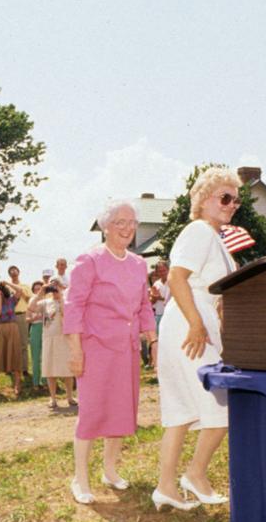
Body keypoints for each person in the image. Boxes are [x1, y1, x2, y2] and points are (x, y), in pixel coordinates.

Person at [154, 167, 239, 512]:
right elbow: (176, 278)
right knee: (221, 407)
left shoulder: (214, 237)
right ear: (204, 200)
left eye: (235, 199)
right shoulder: (200, 231)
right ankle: (195, 475)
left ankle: (166, 487)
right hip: (189, 322)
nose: (232, 204)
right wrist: (196, 324)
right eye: (225, 197)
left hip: (194, 320)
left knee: (182, 412)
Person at [64, 199, 156, 503]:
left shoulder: (139, 263)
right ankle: (80, 479)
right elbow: (74, 306)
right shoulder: (89, 260)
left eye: (132, 223)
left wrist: (152, 340)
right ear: (105, 227)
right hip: (95, 348)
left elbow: (144, 306)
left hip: (127, 349)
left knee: (120, 410)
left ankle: (110, 470)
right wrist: (75, 350)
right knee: (92, 412)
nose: (127, 228)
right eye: (120, 222)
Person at [42, 282, 76, 410]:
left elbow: (66, 313)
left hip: (64, 337)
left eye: (57, 287)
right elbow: (31, 307)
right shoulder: (45, 302)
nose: (55, 290)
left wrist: (62, 294)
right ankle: (53, 398)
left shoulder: (67, 301)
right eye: (53, 287)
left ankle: (70, 397)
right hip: (49, 338)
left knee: (67, 368)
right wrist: (43, 291)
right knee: (50, 369)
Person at [0, 280, 25, 396]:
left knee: (15, 355)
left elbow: (20, 290)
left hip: (13, 329)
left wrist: (7, 283)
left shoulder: (11, 301)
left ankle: (17, 385)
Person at [8, 265, 32, 383]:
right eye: (11, 271)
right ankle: (12, 368)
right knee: (11, 344)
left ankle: (24, 368)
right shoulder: (6, 286)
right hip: (10, 317)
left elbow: (28, 299)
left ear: (19, 272)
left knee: (23, 343)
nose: (13, 272)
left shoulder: (25, 286)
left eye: (15, 270)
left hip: (22, 315)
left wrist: (20, 291)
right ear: (9, 274)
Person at [149, 260, 171, 370]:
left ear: (168, 270)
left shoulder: (172, 281)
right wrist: (153, 297)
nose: (162, 272)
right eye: (160, 271)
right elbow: (152, 302)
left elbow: (172, 299)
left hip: (170, 316)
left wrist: (159, 297)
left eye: (164, 270)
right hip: (158, 315)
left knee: (169, 340)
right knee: (159, 340)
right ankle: (160, 363)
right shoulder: (156, 284)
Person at [26, 280, 46, 388]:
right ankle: (35, 382)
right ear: (33, 290)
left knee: (46, 356)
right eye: (36, 289)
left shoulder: (48, 299)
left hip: (47, 329)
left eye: (40, 288)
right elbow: (27, 318)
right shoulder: (32, 300)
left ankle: (46, 381)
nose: (38, 290)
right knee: (35, 357)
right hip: (35, 328)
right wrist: (34, 318)